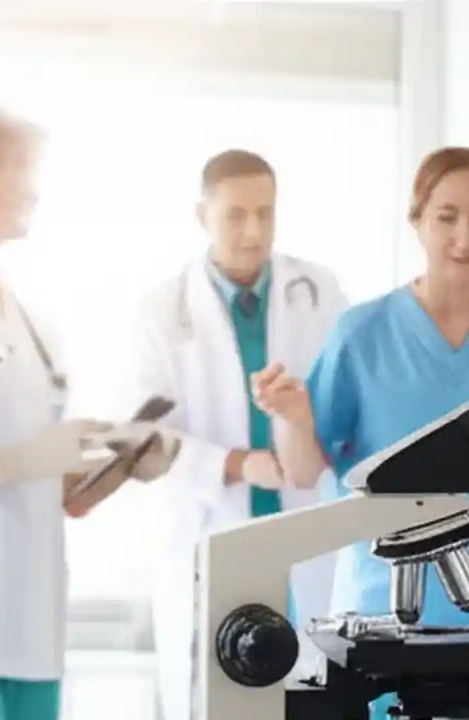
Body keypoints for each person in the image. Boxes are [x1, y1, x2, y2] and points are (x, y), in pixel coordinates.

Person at [257, 146, 469, 718]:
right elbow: (303, 470)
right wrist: (294, 416)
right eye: (447, 217)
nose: (465, 237)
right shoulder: (362, 332)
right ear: (416, 220)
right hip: (386, 596)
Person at [0, 96, 176, 720]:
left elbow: (59, 494)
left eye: (29, 167)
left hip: (33, 633)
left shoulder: (34, 320)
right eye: (2, 165)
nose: (24, 185)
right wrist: (15, 460)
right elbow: (9, 464)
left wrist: (119, 464)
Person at [116, 149, 349, 720]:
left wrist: (299, 429)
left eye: (266, 213)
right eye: (236, 215)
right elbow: (140, 435)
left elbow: (342, 408)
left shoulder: (318, 291)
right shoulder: (161, 309)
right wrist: (238, 464)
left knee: (307, 692)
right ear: (203, 215)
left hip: (300, 524)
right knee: (220, 696)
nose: (254, 231)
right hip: (208, 526)